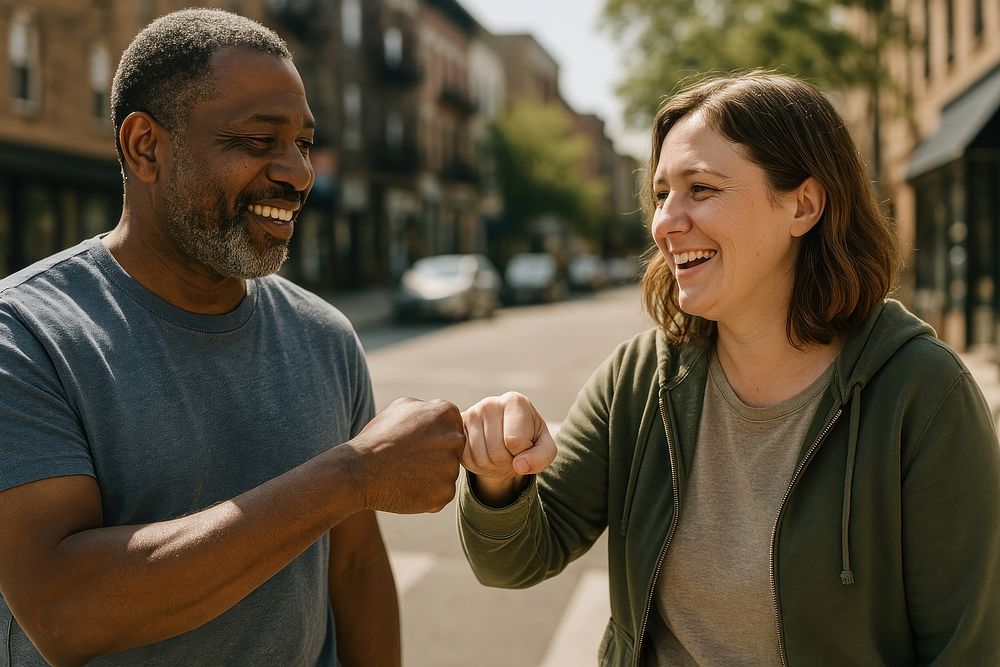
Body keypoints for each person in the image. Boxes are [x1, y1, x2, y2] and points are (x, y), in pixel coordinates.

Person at [458, 71, 1000, 665]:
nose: (665, 221)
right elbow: (516, 559)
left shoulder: (922, 393)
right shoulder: (638, 378)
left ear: (803, 205)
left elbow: (964, 648)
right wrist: (498, 480)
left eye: (702, 189)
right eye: (662, 194)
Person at [0, 9, 466, 666]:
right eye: (258, 141)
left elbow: (355, 571)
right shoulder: (24, 335)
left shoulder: (324, 335)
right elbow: (65, 611)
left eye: (303, 142)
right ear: (146, 147)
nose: (298, 172)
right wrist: (352, 473)